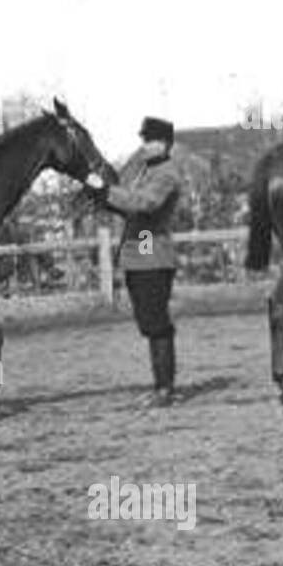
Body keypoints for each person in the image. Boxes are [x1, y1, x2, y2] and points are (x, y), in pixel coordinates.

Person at [83, 117, 182, 406]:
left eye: (151, 140)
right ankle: (161, 385)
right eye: (144, 140)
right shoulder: (143, 171)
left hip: (151, 254)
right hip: (138, 256)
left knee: (156, 322)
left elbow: (145, 204)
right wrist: (101, 196)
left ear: (165, 143)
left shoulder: (166, 174)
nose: (145, 146)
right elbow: (130, 206)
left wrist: (106, 191)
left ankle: (165, 389)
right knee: (149, 323)